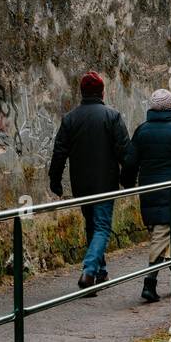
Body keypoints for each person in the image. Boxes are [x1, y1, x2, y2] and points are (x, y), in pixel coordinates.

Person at [48, 71, 130, 293]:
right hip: (105, 183)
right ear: (102, 92)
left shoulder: (70, 119)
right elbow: (125, 153)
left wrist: (54, 180)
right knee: (102, 227)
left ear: (82, 92)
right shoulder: (112, 117)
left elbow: (59, 153)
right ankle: (89, 271)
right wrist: (128, 179)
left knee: (91, 225)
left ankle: (99, 273)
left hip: (81, 185)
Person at [121, 88, 171, 303]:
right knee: (162, 234)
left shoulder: (142, 131)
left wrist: (127, 184)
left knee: (164, 233)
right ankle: (149, 282)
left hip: (149, 191)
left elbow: (130, 162)